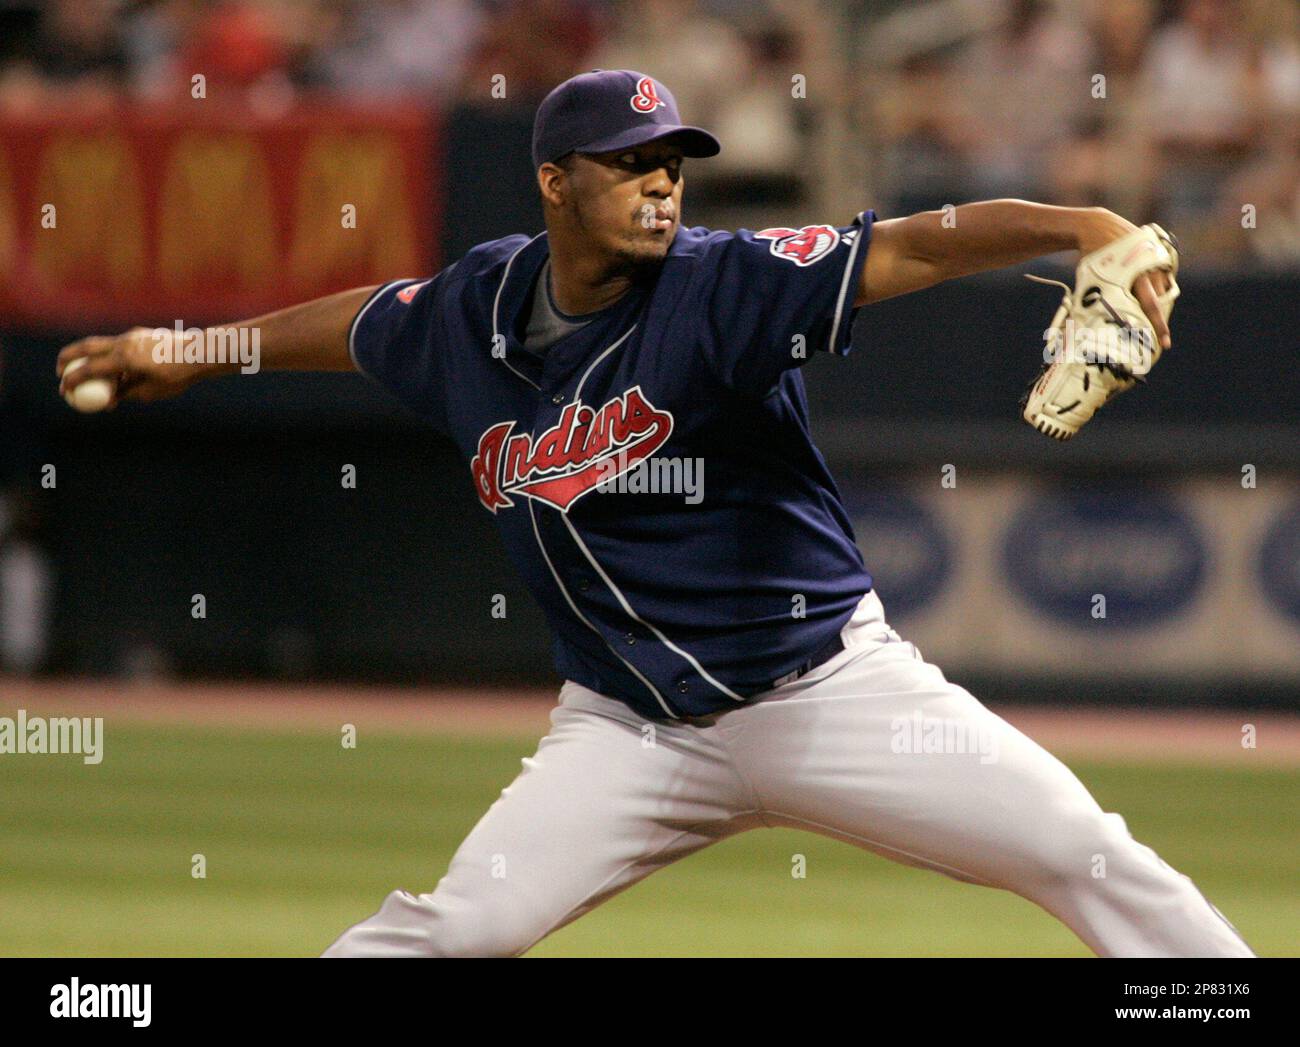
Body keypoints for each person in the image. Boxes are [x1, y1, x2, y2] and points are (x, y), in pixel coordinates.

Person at [58, 70, 1251, 958]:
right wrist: (196, 347)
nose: (662, 180)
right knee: (458, 930)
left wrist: (1080, 228)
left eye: (672, 159)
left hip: (828, 696)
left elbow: (909, 247)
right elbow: (364, 319)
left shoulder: (727, 285)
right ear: (553, 182)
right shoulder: (469, 305)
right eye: (631, 162)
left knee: (1086, 857)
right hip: (627, 732)